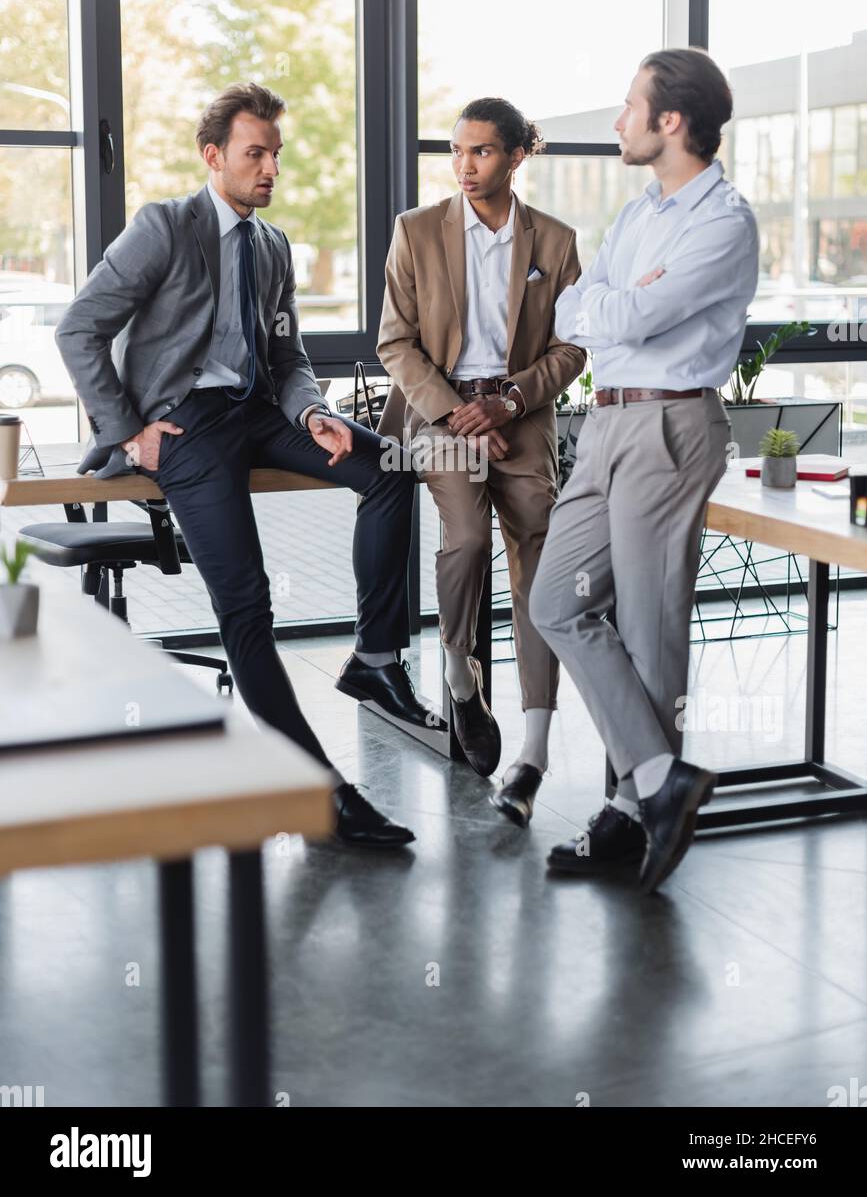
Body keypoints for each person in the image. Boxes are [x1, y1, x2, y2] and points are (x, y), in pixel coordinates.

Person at [56, 82, 437, 850]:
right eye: (254, 153)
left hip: (260, 411)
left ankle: (373, 657)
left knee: (390, 470)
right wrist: (129, 434)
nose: (269, 168)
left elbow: (289, 354)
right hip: (186, 428)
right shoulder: (165, 227)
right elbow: (79, 329)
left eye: (275, 155)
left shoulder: (272, 246)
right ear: (214, 157)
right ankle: (319, 793)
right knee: (248, 605)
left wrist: (312, 412)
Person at [529, 48, 758, 892]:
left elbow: (630, 311)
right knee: (556, 601)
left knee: (648, 628)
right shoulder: (636, 216)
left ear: (671, 122)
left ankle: (629, 815)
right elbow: (577, 310)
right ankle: (661, 783)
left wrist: (613, 308)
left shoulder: (722, 221)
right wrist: (611, 308)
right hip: (607, 422)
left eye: (630, 107)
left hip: (669, 425)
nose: (618, 122)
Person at [377, 97, 585, 822]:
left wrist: (507, 404)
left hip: (518, 420)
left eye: (483, 153)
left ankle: (532, 748)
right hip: (439, 413)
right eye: (457, 151)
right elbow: (395, 342)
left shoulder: (555, 243)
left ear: (517, 155)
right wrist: (456, 414)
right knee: (464, 540)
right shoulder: (414, 231)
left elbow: (572, 348)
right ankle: (461, 680)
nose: (465, 166)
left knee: (540, 573)